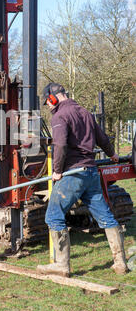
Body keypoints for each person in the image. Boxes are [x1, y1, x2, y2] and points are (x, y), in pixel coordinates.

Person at [36, 82, 129, 277]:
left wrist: (57, 171)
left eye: (48, 102)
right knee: (105, 217)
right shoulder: (85, 112)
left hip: (73, 174)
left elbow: (59, 145)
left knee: (53, 215)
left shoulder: (60, 116)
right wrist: (112, 154)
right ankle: (120, 263)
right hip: (91, 173)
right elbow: (102, 137)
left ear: (53, 98)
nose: (49, 106)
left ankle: (62, 265)